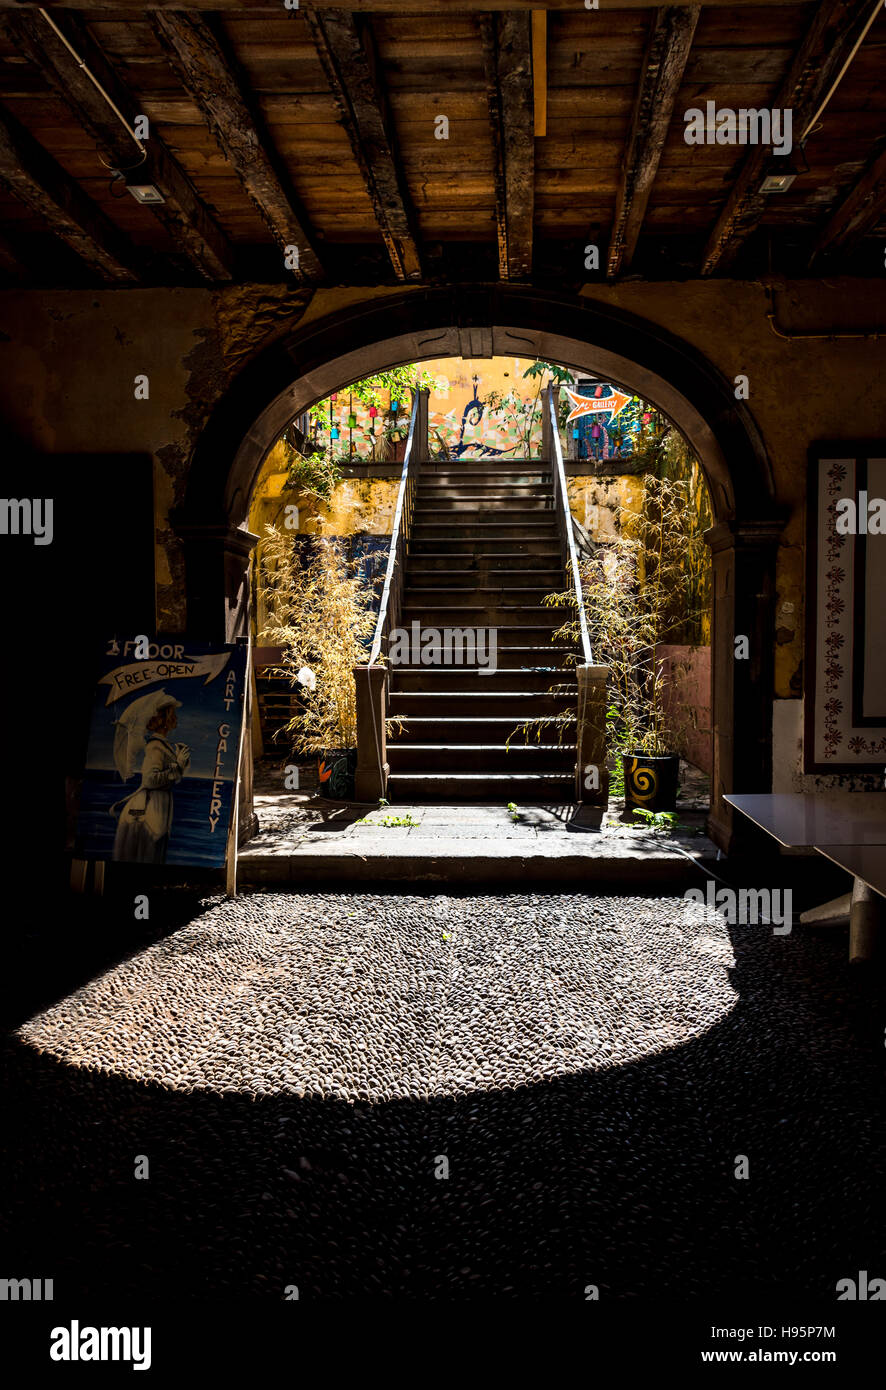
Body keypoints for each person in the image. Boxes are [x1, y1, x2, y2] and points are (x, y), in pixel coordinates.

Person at [110, 690, 190, 864]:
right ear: (163, 718)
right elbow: (149, 780)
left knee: (155, 849)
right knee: (151, 849)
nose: (175, 717)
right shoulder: (155, 747)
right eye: (172, 713)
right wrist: (178, 766)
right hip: (151, 805)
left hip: (159, 802)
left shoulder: (162, 745)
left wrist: (180, 763)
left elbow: (170, 775)